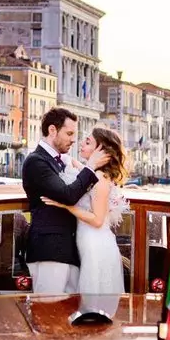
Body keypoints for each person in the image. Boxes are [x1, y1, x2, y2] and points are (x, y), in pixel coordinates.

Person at [22, 107, 109, 293]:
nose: (73, 139)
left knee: (68, 317)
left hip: (71, 252)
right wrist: (91, 165)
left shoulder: (62, 161)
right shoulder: (36, 162)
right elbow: (67, 195)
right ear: (52, 130)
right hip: (49, 251)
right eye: (69, 133)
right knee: (48, 312)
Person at [41, 127, 129, 296]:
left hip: (95, 244)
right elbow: (82, 171)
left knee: (93, 297)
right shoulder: (94, 173)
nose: (81, 143)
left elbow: (97, 220)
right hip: (88, 240)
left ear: (101, 151)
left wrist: (66, 205)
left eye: (88, 142)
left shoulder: (101, 179)